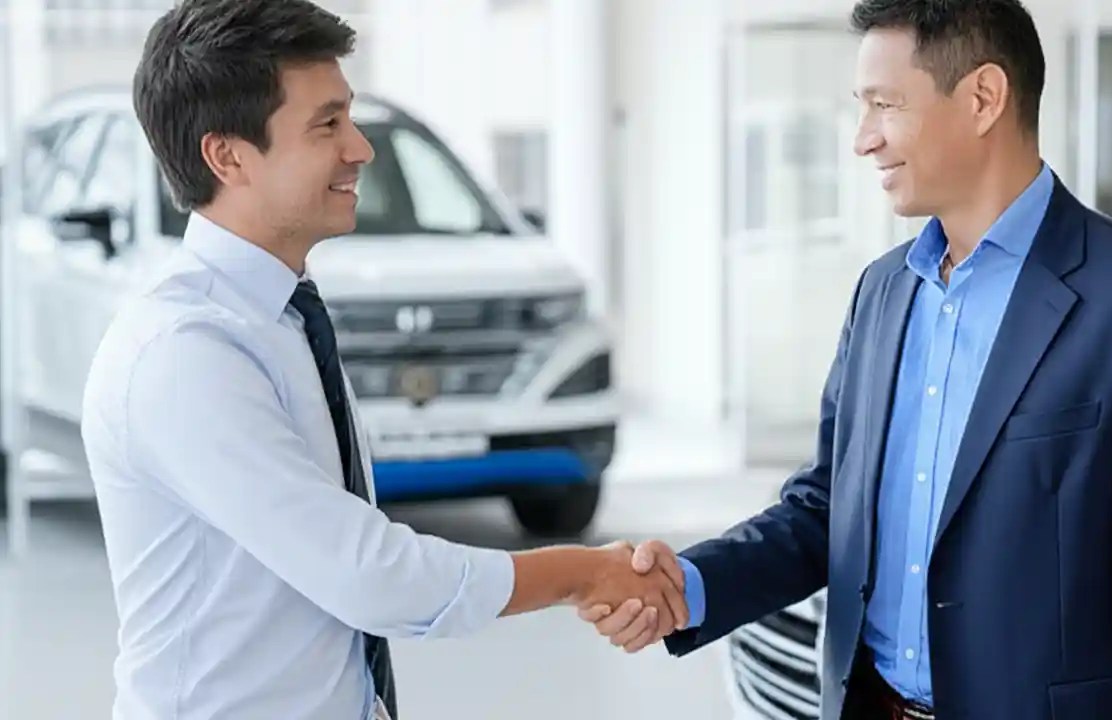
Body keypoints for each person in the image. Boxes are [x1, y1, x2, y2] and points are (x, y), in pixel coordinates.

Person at [585, 0, 1112, 718]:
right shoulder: (883, 291)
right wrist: (687, 585)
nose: (863, 140)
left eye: (884, 104)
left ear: (983, 98)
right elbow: (825, 511)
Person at [81, 1, 686, 718]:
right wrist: (583, 573)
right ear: (228, 155)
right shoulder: (185, 354)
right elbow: (369, 574)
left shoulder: (280, 315)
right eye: (326, 125)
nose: (360, 149)